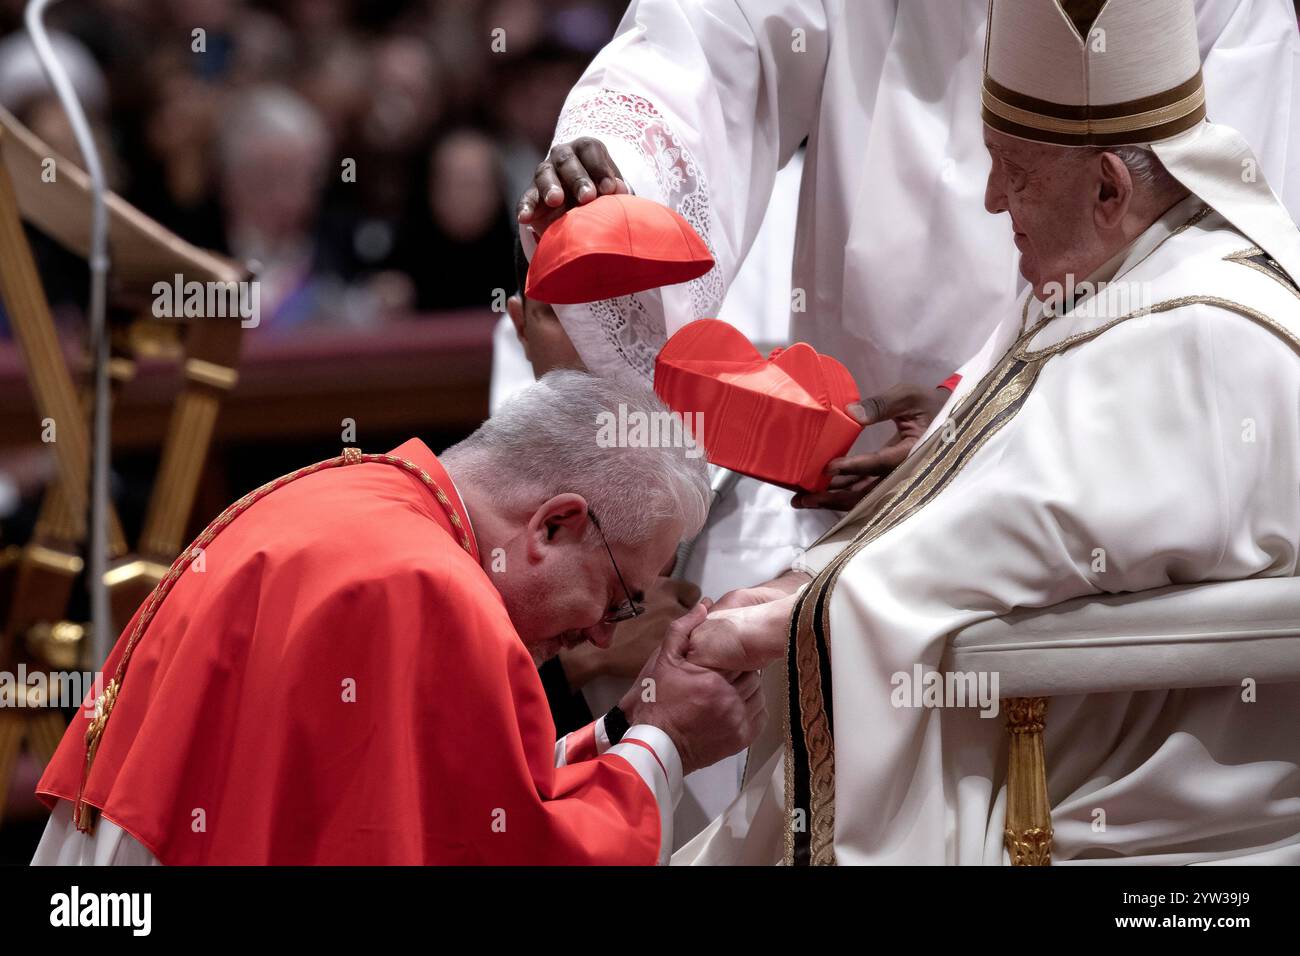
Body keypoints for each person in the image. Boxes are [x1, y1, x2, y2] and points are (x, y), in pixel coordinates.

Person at [677, 0, 1300, 865]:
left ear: (1110, 190)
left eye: (1014, 169)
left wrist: (792, 616)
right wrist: (805, 578)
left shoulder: (1206, 331)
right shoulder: (1119, 272)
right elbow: (981, 482)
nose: (990, 196)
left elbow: (1031, 526)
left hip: (1148, 809)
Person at [31, 372, 763, 865]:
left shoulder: (360, 503)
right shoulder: (426, 586)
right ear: (556, 526)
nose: (606, 634)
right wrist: (666, 744)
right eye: (615, 598)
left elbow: (451, 800)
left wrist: (620, 733)